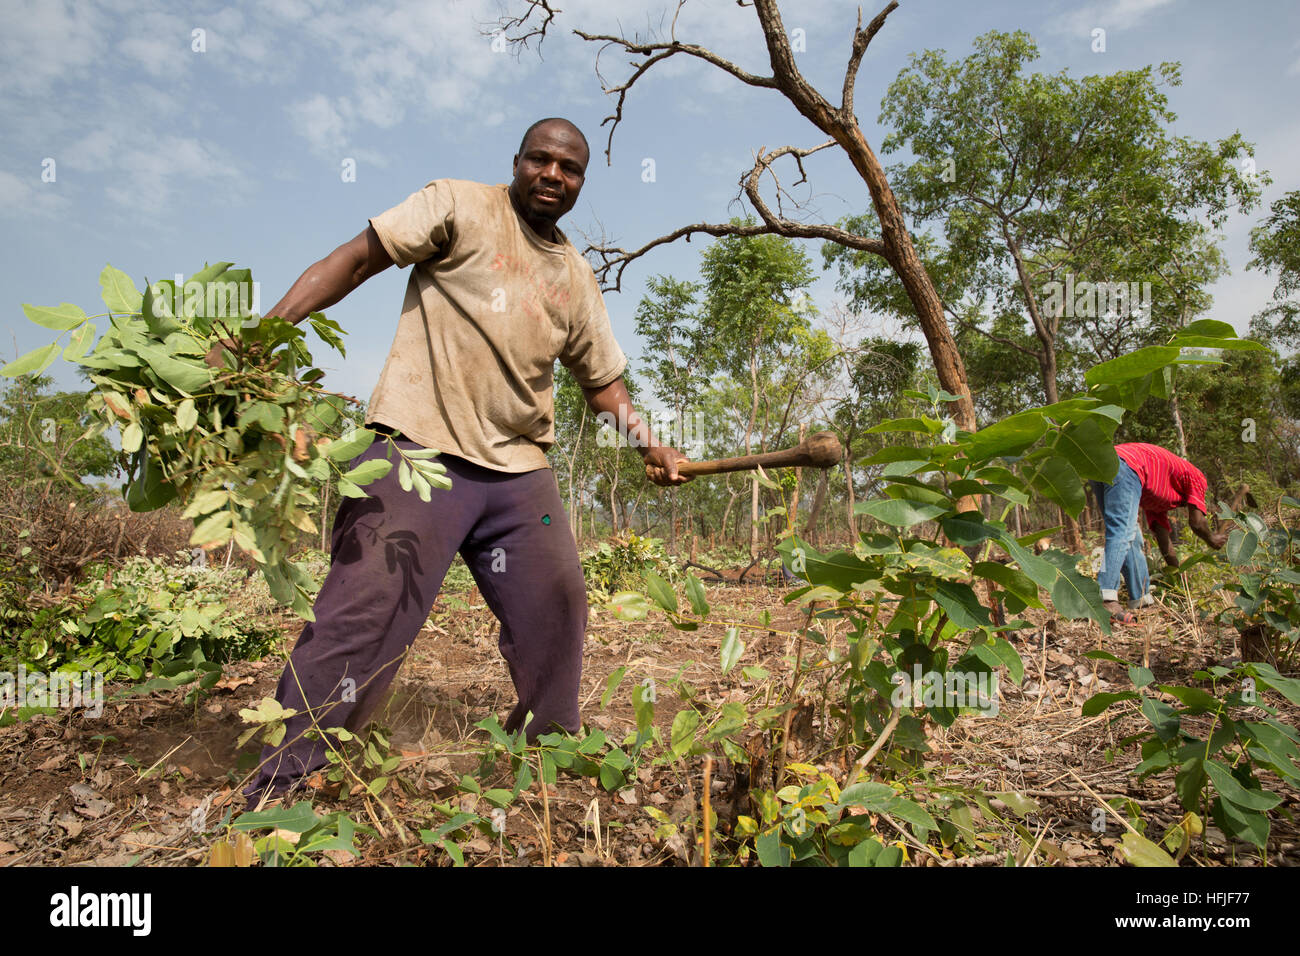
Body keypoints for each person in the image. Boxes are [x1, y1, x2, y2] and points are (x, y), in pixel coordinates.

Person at [237, 117, 691, 807]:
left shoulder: (574, 275)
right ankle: (285, 782)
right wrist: (263, 336)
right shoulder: (457, 204)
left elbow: (602, 382)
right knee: (364, 615)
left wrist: (646, 441)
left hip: (516, 469)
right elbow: (356, 258)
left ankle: (550, 756)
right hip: (417, 446)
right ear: (516, 162)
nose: (552, 175)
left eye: (569, 169)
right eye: (540, 160)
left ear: (580, 183)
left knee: (558, 605)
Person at [1090, 442, 1226, 624]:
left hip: (1101, 464)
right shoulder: (1197, 478)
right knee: (1122, 532)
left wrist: (1177, 576)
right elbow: (1197, 522)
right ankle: (1106, 599)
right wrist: (1212, 539)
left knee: (1132, 538)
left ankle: (1142, 601)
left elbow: (1164, 542)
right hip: (1126, 464)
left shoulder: (1158, 499)